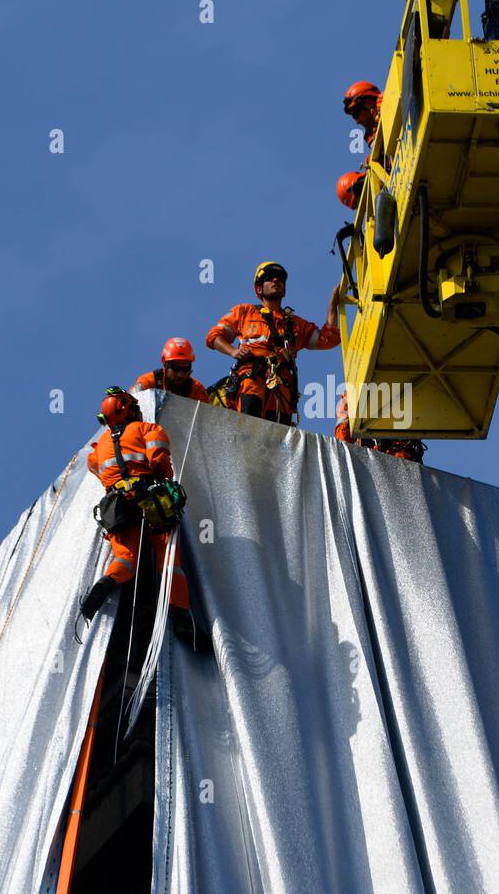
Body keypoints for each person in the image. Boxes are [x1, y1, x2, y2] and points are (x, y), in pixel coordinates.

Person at [81, 388, 197, 642]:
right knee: (168, 560)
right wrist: (162, 478)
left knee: (125, 558)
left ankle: (104, 586)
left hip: (116, 508)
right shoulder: (147, 430)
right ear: (128, 409)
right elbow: (159, 464)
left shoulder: (98, 448)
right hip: (148, 500)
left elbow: (97, 470)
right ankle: (182, 621)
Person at [206, 262, 341, 423]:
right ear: (259, 288)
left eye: (280, 279)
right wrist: (233, 351)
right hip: (252, 379)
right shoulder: (244, 312)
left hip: (281, 389)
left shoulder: (295, 324)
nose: (276, 280)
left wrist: (333, 307)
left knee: (277, 439)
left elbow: (328, 340)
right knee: (248, 426)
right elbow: (214, 337)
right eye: (269, 278)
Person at [334, 391, 426, 463]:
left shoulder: (408, 382)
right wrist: (353, 421)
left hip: (402, 456)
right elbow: (341, 439)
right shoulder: (351, 395)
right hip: (374, 459)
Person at [131, 337, 210, 403]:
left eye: (185, 369)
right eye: (176, 368)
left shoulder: (196, 389)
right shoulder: (148, 382)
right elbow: (130, 403)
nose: (180, 374)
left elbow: (208, 417)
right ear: (164, 363)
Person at [343, 81, 382, 149]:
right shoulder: (370, 135)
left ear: (368, 103)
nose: (358, 122)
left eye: (356, 115)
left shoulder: (388, 101)